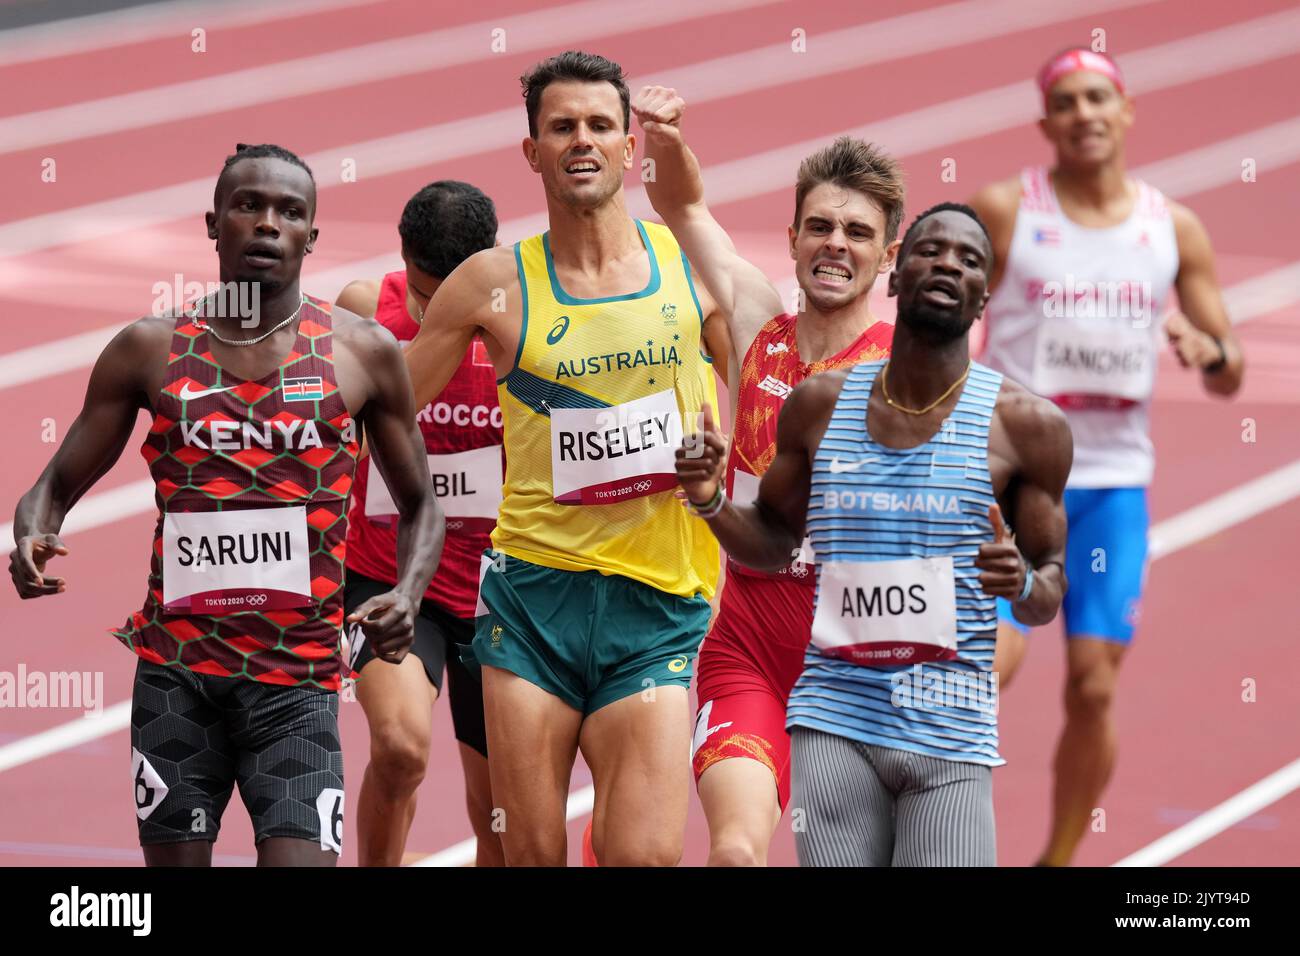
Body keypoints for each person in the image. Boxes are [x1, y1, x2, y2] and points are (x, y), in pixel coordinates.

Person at [8, 144, 443, 867]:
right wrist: (31, 535)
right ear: (213, 225)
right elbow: (52, 487)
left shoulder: (360, 352)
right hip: (178, 678)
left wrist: (408, 592)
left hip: (298, 682)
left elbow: (421, 505)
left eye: (290, 212)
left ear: (312, 236)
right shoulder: (149, 350)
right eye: (249, 206)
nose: (268, 225)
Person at [402, 52, 732, 866]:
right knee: (530, 855)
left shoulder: (690, 273)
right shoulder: (490, 285)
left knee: (645, 857)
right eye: (561, 128)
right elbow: (387, 406)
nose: (580, 141)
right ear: (532, 151)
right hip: (530, 602)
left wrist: (721, 462)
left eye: (598, 126)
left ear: (628, 148)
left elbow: (762, 400)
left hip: (657, 602)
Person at [676, 204, 1073, 866]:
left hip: (945, 729)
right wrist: (711, 500)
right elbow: (775, 541)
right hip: (836, 718)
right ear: (896, 274)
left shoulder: (1029, 429)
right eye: (930, 250)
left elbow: (1048, 589)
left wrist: (1025, 582)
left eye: (970, 260)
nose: (948, 263)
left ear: (985, 297)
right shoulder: (820, 406)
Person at [968, 48, 1245, 866]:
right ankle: (943, 842)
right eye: (1067, 101)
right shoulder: (1006, 209)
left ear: (1126, 111)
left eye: (1099, 98)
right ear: (1045, 122)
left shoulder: (1171, 228)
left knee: (1092, 687)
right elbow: (940, 318)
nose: (1085, 113)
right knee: (983, 676)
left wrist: (1206, 347)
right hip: (1016, 481)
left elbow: (1228, 367)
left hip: (1113, 488)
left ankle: (1057, 860)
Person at [635, 85, 901, 866]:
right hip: (746, 647)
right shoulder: (758, 327)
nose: (835, 244)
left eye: (858, 233)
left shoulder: (906, 373)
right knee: (738, 851)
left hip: (860, 666)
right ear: (790, 238)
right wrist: (669, 137)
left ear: (888, 256)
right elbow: (684, 209)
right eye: (819, 226)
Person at [335, 181, 504, 867]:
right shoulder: (359, 309)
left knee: (501, 816)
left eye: (452, 298)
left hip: (501, 591)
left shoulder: (523, 323)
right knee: (401, 748)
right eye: (423, 295)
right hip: (389, 573)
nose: (436, 314)